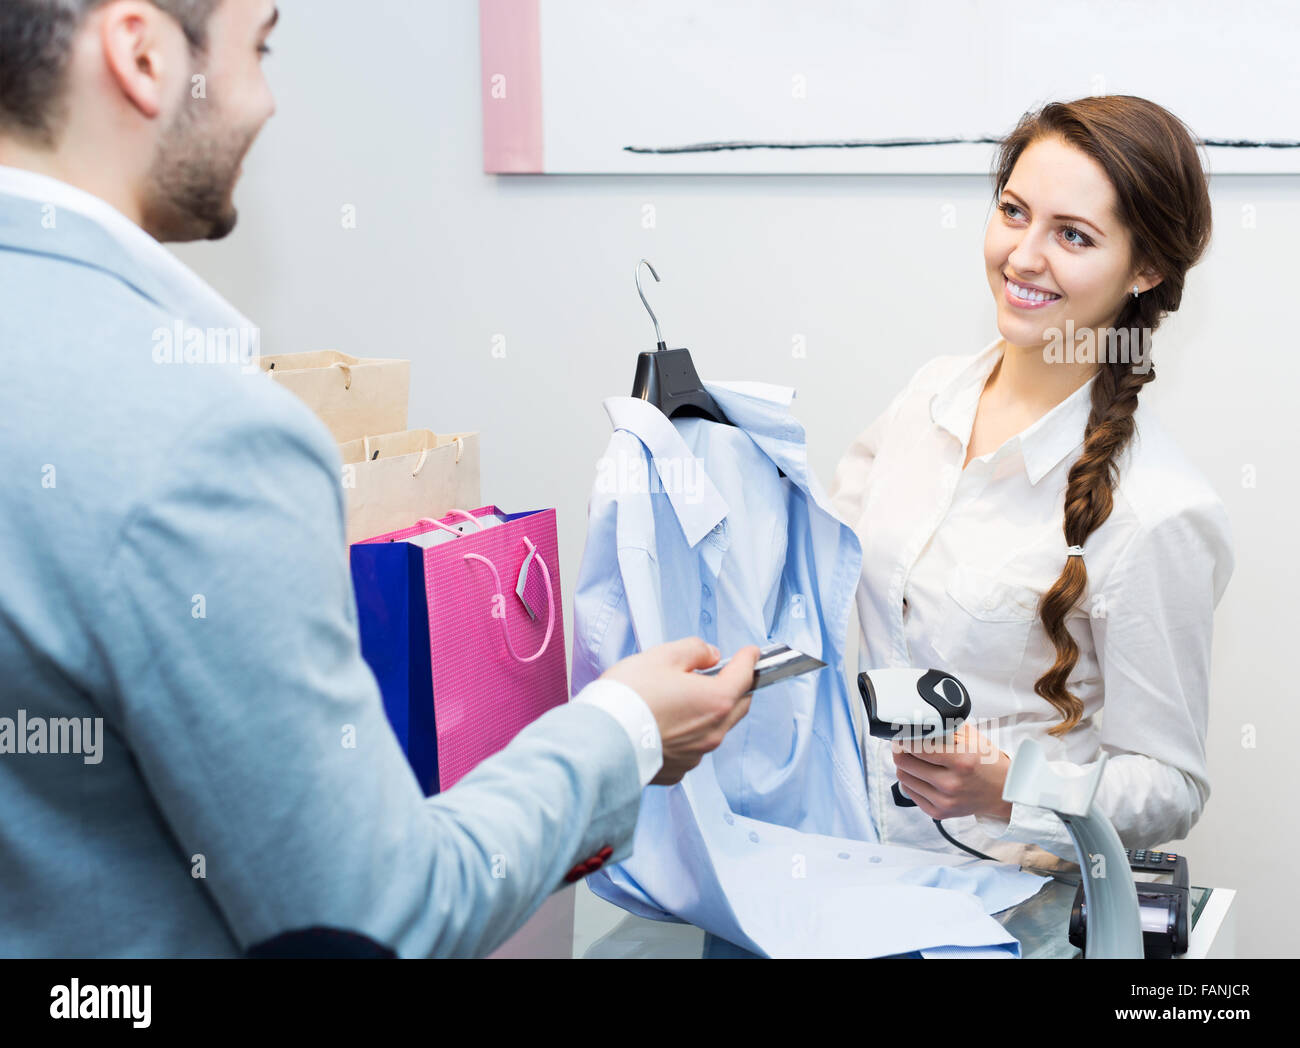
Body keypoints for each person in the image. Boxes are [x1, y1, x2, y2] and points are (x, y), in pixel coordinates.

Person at [0, 0, 760, 958]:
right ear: (144, 55)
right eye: (260, 48)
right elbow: (379, 917)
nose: (269, 102)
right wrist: (623, 729)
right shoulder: (207, 437)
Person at [830, 96, 1234, 871]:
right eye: (1014, 212)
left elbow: (1172, 787)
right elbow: (821, 567)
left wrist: (1012, 788)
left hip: (1012, 904)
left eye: (1073, 235)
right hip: (851, 858)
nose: (1022, 256)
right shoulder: (927, 397)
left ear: (1144, 269)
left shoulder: (1160, 512)